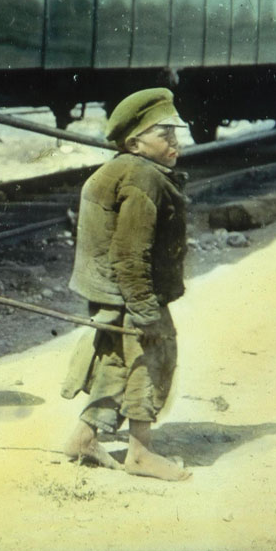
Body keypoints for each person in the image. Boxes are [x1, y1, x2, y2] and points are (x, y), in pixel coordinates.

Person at [61, 87, 191, 481]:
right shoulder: (141, 177)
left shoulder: (128, 167)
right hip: (131, 291)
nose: (175, 143)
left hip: (111, 290)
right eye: (164, 135)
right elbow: (130, 254)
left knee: (117, 361)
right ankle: (140, 452)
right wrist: (147, 312)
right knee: (151, 360)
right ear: (135, 143)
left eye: (175, 134)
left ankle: (84, 438)